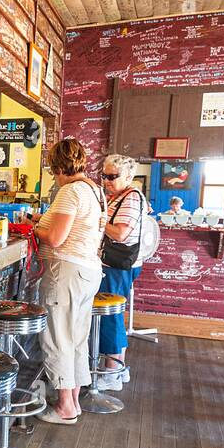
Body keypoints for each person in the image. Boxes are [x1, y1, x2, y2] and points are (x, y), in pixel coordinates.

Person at [31, 138, 106, 424]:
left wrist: (36, 226)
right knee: (76, 339)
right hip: (88, 271)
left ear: (58, 165)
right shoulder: (95, 190)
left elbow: (55, 238)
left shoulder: (69, 191)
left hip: (67, 270)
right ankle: (73, 400)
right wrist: (44, 218)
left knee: (57, 337)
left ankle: (64, 408)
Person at [98, 154, 146, 390]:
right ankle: (119, 368)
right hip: (117, 266)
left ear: (128, 176)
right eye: (104, 176)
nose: (107, 180)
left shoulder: (130, 198)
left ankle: (111, 373)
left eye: (112, 176)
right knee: (114, 315)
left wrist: (96, 221)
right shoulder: (119, 197)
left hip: (116, 266)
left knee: (110, 316)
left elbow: (120, 234)